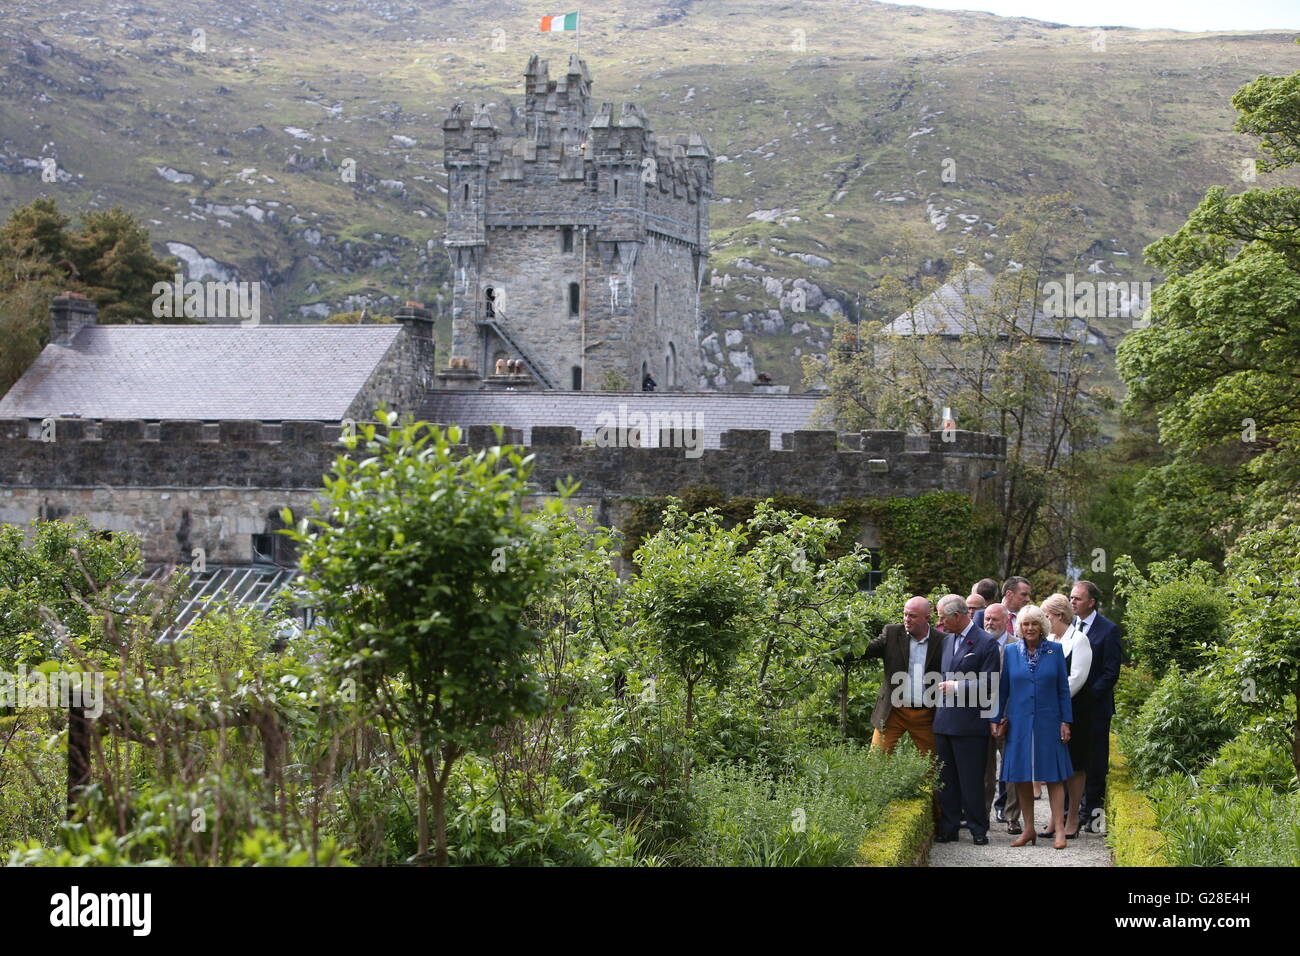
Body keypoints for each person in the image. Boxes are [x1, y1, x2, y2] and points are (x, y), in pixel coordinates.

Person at [993, 603, 1073, 850]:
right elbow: (1003, 688)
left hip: (1049, 721)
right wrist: (996, 718)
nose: (1030, 628)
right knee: (1022, 776)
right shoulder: (1011, 651)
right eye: (1026, 624)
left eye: (1034, 623)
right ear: (1019, 627)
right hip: (1019, 722)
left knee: (1054, 776)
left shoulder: (1055, 651)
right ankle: (1029, 829)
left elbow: (1063, 689)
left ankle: (1059, 829)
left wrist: (1065, 721)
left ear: (1042, 627)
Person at [932, 595, 1000, 845]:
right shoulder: (947, 641)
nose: (939, 623)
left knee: (972, 781)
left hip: (970, 725)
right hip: (944, 722)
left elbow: (991, 683)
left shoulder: (986, 643)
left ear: (957, 616)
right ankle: (949, 828)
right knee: (946, 781)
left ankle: (978, 829)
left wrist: (958, 687)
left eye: (942, 617)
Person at [863, 596, 945, 756]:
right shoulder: (892, 633)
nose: (907, 619)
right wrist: (833, 652)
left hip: (926, 713)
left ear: (927, 618)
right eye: (905, 614)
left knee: (933, 765)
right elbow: (866, 650)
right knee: (875, 759)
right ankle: (878, 782)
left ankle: (927, 783)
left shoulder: (943, 641)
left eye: (912, 616)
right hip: (894, 711)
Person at [1039, 593, 1092, 840]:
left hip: (1075, 712)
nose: (1043, 620)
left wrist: (1050, 698)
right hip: (1050, 713)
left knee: (1075, 765)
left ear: (1059, 615)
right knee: (1054, 766)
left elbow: (1077, 679)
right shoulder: (1048, 639)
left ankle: (1073, 819)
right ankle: (1055, 817)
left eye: (1046, 616)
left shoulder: (1080, 640)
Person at [1071, 580, 1122, 832]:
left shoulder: (1108, 630)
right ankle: (1074, 810)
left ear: (1091, 602)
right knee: (1074, 758)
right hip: (1070, 707)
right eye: (1071, 597)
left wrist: (1088, 695)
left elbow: (1111, 672)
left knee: (1095, 760)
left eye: (1078, 598)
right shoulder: (1068, 627)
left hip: (1095, 708)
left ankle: (1092, 811)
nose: (1072, 602)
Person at [981, 603, 1022, 832]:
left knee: (1012, 770)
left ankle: (1012, 817)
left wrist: (1005, 716)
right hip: (982, 717)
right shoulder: (978, 644)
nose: (989, 623)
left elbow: (1019, 684)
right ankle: (982, 816)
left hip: (1010, 718)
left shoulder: (1017, 647)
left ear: (1006, 621)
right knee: (984, 772)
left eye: (994, 619)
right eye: (987, 618)